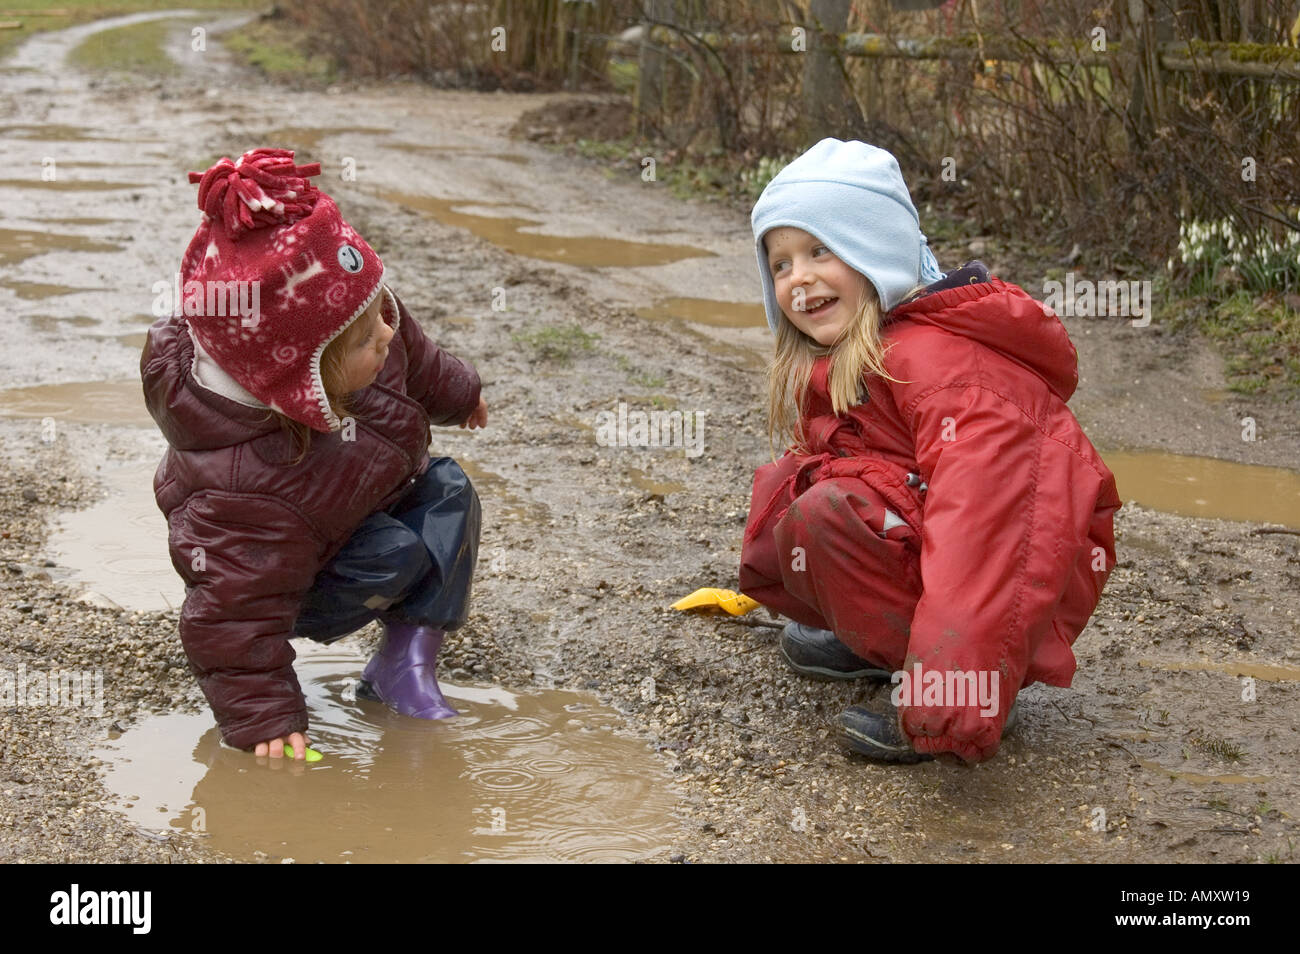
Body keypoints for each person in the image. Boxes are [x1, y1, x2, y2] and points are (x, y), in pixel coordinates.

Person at [739, 139, 1120, 764]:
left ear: (874, 250)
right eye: (779, 264)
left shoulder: (943, 369)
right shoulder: (862, 353)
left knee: (835, 512)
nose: (798, 277)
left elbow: (989, 538)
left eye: (819, 251)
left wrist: (949, 700)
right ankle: (883, 644)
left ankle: (961, 683)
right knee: (801, 488)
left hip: (1023, 567)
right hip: (958, 551)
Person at [142, 148, 488, 760]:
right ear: (301, 378)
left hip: (357, 504)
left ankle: (405, 662)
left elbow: (415, 352)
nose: (385, 330)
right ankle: (349, 641)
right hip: (293, 577)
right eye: (365, 338)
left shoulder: (361, 318)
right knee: (396, 551)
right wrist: (264, 716)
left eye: (380, 309)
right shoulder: (243, 483)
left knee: (449, 491)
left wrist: (459, 394)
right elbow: (231, 611)